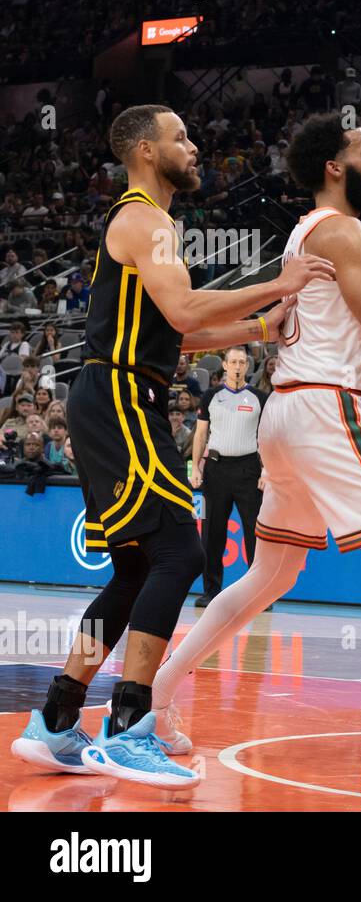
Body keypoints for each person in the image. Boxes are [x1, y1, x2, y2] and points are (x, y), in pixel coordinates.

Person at [145, 114, 361, 796]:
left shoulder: (308, 233)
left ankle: (152, 695)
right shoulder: (342, 229)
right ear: (335, 167)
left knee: (269, 577)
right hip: (328, 408)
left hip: (288, 410)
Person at [11, 105, 325, 789]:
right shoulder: (146, 220)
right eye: (182, 135)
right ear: (147, 150)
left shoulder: (150, 225)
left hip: (113, 394)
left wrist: (260, 327)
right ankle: (128, 728)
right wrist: (280, 282)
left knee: (132, 571)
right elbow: (184, 311)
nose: (194, 143)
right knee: (181, 551)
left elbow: (176, 335)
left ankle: (57, 719)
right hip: (122, 398)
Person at [190, 345, 268, 607]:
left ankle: (258, 595)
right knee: (212, 533)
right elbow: (201, 434)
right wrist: (195, 468)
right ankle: (211, 591)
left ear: (247, 366)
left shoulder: (259, 397)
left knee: (253, 533)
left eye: (242, 362)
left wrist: (266, 470)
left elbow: (267, 437)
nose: (237, 366)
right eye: (233, 361)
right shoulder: (210, 395)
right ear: (224, 365)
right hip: (216, 468)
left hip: (249, 470)